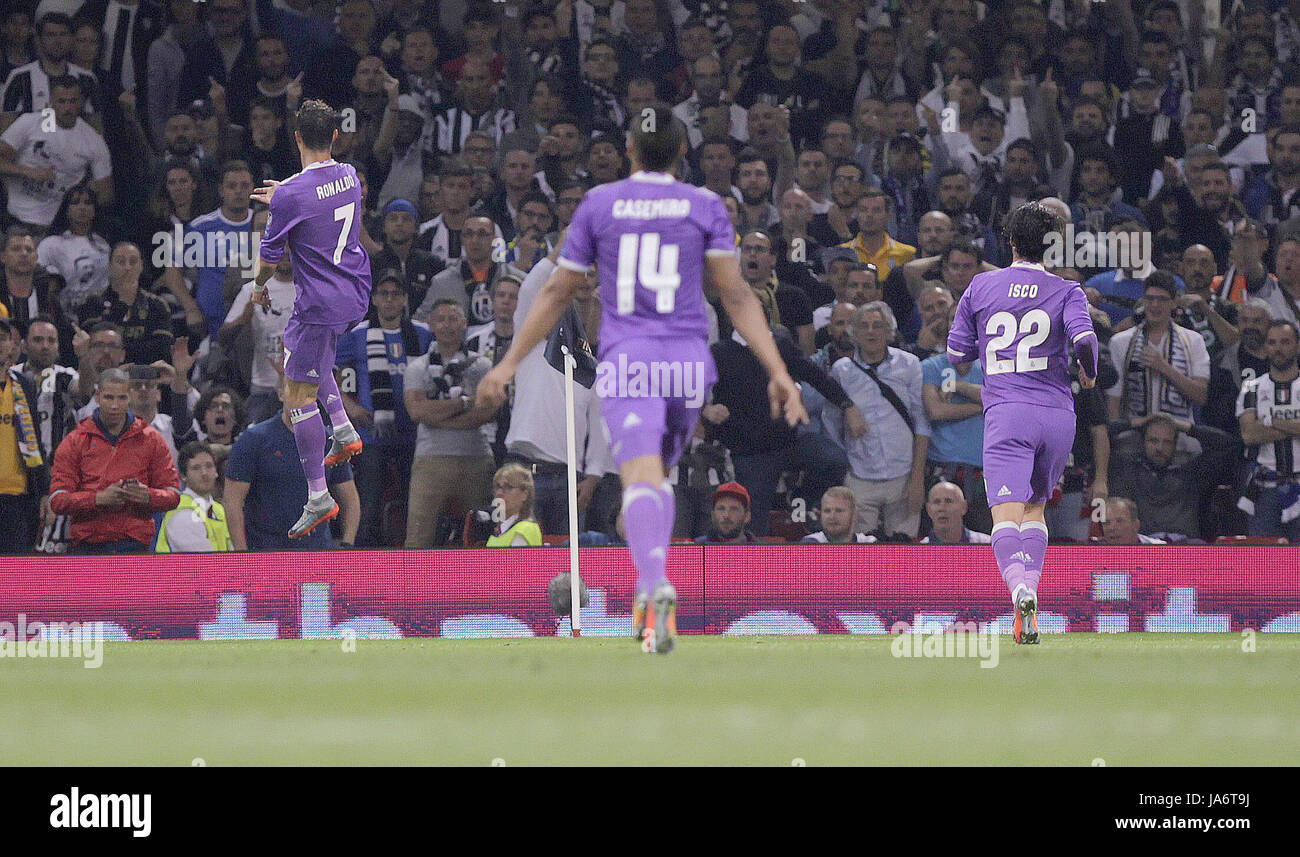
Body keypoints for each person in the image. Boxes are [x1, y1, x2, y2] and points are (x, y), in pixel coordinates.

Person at [477, 105, 806, 654]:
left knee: (641, 479)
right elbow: (738, 294)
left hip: (629, 357)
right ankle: (650, 590)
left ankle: (653, 583)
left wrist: (508, 362)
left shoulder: (598, 204)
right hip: (687, 361)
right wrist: (778, 370)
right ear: (683, 153)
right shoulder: (704, 205)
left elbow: (559, 291)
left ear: (629, 151)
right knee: (663, 478)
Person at [946, 201, 1099, 644]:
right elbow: (1086, 340)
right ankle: (1028, 604)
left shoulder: (980, 286)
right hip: (1057, 415)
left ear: (1009, 241)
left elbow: (957, 356)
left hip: (1008, 414)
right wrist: (1088, 372)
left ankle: (1020, 589)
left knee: (1005, 517)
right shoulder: (1069, 290)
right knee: (1035, 509)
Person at [250, 99, 371, 539]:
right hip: (356, 292)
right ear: (336, 136)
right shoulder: (349, 176)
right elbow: (316, 191)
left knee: (295, 396)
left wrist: (258, 285)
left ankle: (319, 495)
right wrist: (286, 194)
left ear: (296, 136)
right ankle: (342, 427)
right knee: (306, 355)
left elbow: (269, 256)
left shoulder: (291, 195)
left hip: (318, 303)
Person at [223, 371, 361, 551]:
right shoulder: (253, 440)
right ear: (281, 394)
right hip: (267, 553)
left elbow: (350, 498)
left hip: (317, 553)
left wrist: (347, 544)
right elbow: (232, 501)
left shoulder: (330, 442)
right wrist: (242, 553)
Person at [48, 367, 180, 554]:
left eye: (122, 398)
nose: (115, 406)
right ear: (98, 396)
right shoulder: (75, 440)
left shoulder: (152, 439)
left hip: (135, 545)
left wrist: (148, 496)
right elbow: (57, 499)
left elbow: (173, 494)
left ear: (130, 398)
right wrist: (97, 499)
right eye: (109, 397)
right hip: (87, 545)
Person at [1237, 319, 1300, 540]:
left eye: (1285, 342)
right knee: (1265, 567)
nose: (1278, 348)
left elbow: (1259, 429)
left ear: (1297, 345)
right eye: (1272, 342)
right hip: (1265, 490)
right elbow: (1250, 435)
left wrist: (1270, 421)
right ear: (1265, 348)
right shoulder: (1251, 387)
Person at [0, 317, 47, 553]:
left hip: (18, 496)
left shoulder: (24, 384)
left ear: (11, 345)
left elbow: (35, 440)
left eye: (2, 338)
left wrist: (43, 492)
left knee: (14, 576)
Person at [155, 441, 233, 553]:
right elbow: (204, 563)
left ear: (216, 471)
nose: (204, 473)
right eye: (196, 468)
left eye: (209, 466)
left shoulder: (219, 509)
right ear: (183, 476)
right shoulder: (182, 514)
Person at [485, 462, 542, 547]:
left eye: (507, 487)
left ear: (524, 495)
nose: (499, 493)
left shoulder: (524, 530)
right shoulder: (500, 529)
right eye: (497, 487)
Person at [920, 481, 992, 544]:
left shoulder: (987, 545)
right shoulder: (920, 553)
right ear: (928, 510)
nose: (941, 508)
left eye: (948, 501)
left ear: (964, 507)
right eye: (936, 502)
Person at [801, 486, 875, 544]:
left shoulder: (870, 544)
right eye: (827, 511)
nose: (832, 516)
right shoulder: (810, 544)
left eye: (839, 511)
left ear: (854, 514)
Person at [695, 481, 759, 545]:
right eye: (721, 509)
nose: (726, 515)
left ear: (747, 516)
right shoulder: (695, 549)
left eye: (734, 509)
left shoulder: (762, 552)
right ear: (713, 515)